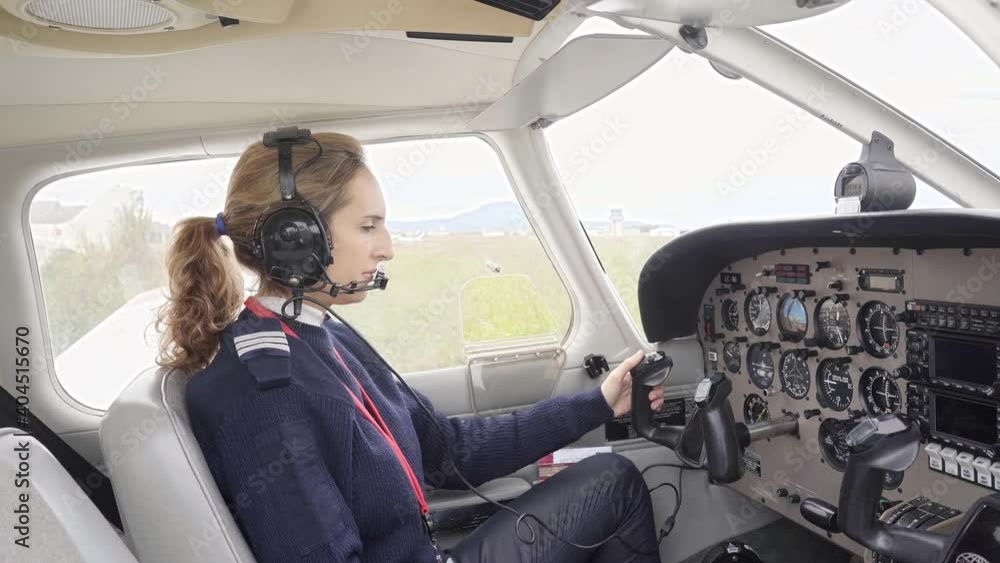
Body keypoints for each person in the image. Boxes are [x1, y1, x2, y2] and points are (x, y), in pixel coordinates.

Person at [156, 130, 666, 563]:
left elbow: (449, 452)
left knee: (610, 476)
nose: (387, 248)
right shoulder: (265, 393)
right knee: (615, 485)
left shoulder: (321, 334)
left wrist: (599, 402)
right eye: (367, 226)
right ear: (297, 239)